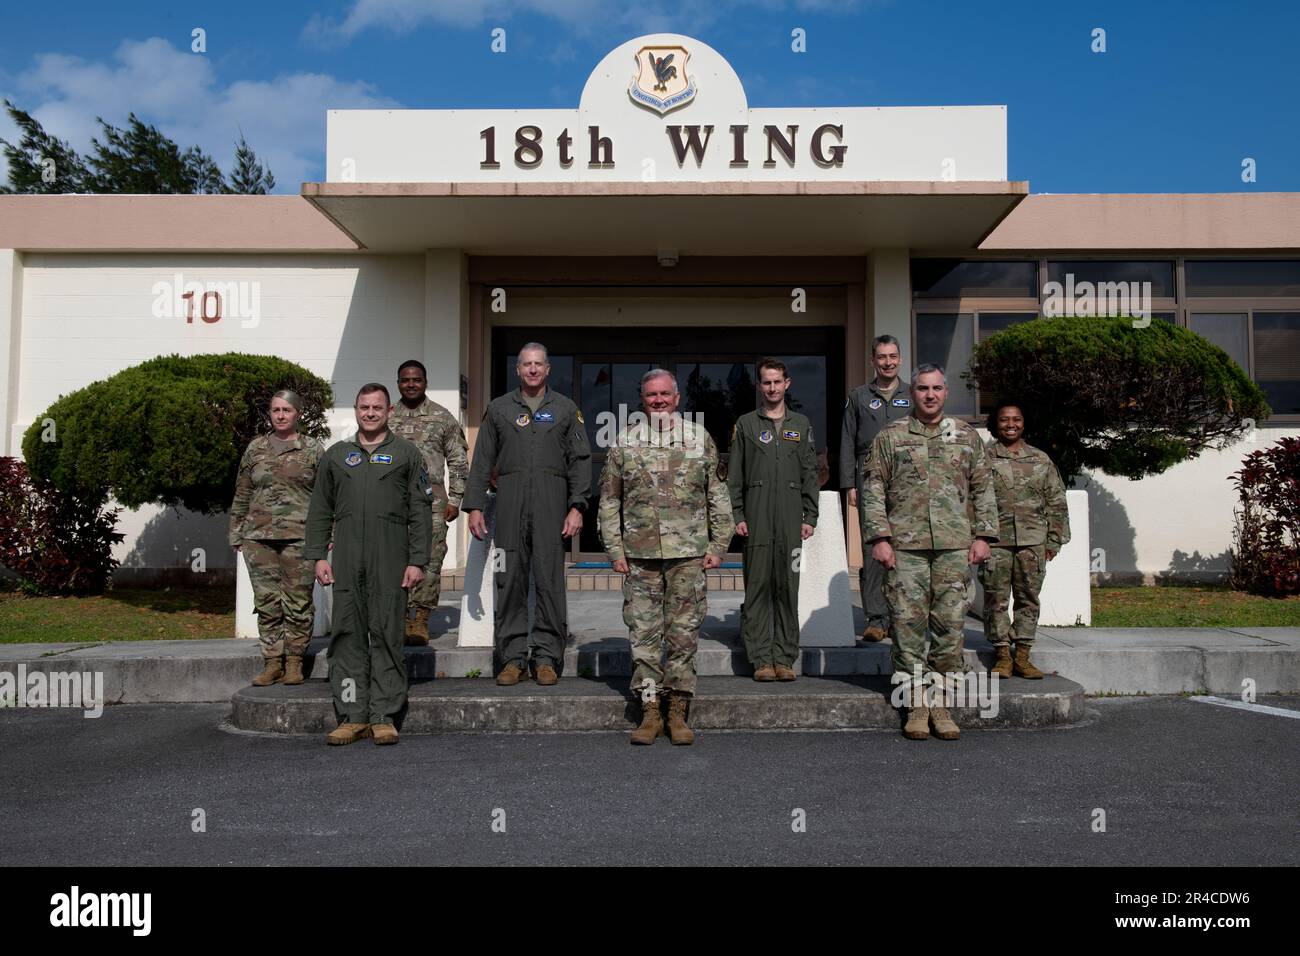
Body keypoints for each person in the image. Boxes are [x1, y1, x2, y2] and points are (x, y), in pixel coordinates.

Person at [859, 364, 998, 741]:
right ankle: (916, 703)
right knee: (906, 626)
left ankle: (941, 702)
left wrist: (984, 536)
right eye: (922, 388)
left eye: (937, 388)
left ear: (946, 393)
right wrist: (879, 539)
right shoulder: (891, 436)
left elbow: (984, 487)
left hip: (954, 546)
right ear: (913, 392)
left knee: (951, 628)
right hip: (905, 548)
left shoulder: (967, 437)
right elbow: (872, 489)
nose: (930, 395)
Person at [598, 369, 734, 745]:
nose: (658, 400)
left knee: (683, 635)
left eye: (664, 394)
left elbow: (717, 495)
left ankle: (678, 709)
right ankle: (649, 710)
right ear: (642, 401)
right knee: (642, 634)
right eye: (650, 395)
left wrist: (719, 544)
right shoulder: (625, 442)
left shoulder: (697, 439)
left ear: (676, 398)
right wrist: (614, 549)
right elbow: (609, 499)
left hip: (688, 554)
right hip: (639, 556)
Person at [304, 384, 433, 746]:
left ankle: (384, 715)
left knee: (388, 633)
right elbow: (319, 509)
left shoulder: (408, 455)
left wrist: (417, 560)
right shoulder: (337, 456)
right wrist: (317, 555)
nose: (371, 413)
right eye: (365, 407)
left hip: (390, 554)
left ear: (389, 410)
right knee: (346, 634)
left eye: (378, 407)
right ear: (356, 409)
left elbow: (421, 512)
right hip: (346, 555)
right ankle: (351, 714)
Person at [463, 343, 591, 687]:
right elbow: (482, 460)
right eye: (526, 365)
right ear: (518, 370)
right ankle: (512, 658)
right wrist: (475, 506)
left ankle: (547, 657)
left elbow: (580, 459)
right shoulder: (500, 408)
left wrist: (577, 505)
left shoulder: (565, 409)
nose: (532, 370)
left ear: (548, 369)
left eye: (538, 364)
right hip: (508, 506)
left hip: (552, 503)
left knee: (549, 581)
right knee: (509, 579)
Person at [728, 358, 819, 682]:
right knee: (756, 590)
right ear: (759, 386)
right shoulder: (746, 425)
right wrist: (737, 514)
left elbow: (810, 473)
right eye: (766, 382)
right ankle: (761, 659)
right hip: (757, 517)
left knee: (787, 588)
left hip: (792, 520)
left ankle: (784, 657)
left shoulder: (802, 424)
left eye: (777, 382)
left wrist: (811, 515)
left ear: (787, 384)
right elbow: (734, 476)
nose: (772, 388)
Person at [229, 389, 324, 688]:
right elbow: (243, 490)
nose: (280, 415)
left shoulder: (313, 449)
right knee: (267, 601)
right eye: (275, 410)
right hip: (259, 538)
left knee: (297, 602)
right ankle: (272, 661)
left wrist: (327, 533)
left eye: (287, 410)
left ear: (298, 414)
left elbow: (326, 496)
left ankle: (295, 661)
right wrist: (236, 530)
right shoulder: (255, 448)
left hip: (300, 536)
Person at [980, 402, 1070, 680]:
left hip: (1032, 541)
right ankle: (1002, 654)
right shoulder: (983, 458)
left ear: (1023, 423)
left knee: (1028, 599)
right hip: (995, 541)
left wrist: (1054, 540)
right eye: (1004, 419)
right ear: (995, 424)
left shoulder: (1041, 460)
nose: (1010, 424)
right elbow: (971, 498)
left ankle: (1023, 655)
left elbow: (1056, 500)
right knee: (996, 599)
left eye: (1016, 419)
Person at [388, 359, 469, 646]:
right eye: (405, 380)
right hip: (390, 503)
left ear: (425, 382)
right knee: (391, 559)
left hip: (431, 502)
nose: (411, 384)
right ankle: (395, 618)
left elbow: (458, 460)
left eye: (417, 379)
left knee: (430, 560)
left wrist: (456, 499)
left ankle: (419, 618)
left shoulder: (442, 417)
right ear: (398, 382)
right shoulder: (386, 415)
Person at [840, 335, 911, 643]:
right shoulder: (858, 396)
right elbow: (846, 440)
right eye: (882, 357)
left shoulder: (913, 394)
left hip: (907, 481)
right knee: (874, 549)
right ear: (873, 361)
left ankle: (901, 617)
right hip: (867, 479)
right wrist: (848, 484)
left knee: (906, 549)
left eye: (893, 356)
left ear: (900, 359)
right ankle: (876, 618)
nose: (888, 362)